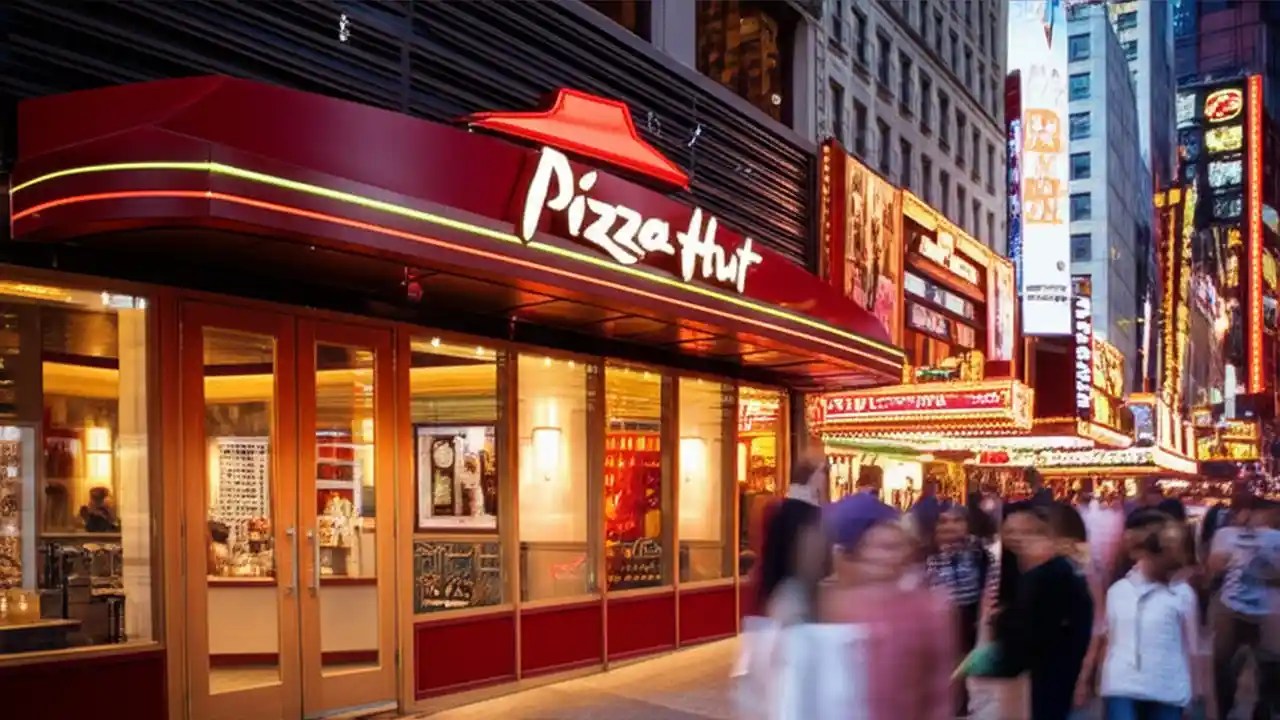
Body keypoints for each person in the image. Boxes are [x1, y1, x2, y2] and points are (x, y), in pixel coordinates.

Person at [820, 494, 954, 720]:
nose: (890, 557)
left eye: (896, 546)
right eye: (881, 547)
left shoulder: (928, 610)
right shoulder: (826, 607)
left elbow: (938, 693)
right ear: (849, 554)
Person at [994, 504, 1094, 720]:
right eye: (1011, 532)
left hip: (1053, 675)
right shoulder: (1017, 570)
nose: (1020, 540)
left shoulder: (1057, 573)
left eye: (1028, 533)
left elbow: (1080, 628)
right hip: (1032, 677)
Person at [1098, 509, 1199, 720]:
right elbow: (1109, 640)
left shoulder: (1182, 594)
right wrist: (1100, 682)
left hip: (1168, 690)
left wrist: (1195, 692)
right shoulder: (1118, 591)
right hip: (1121, 688)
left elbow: (1191, 646)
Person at [1208, 495, 1280, 720]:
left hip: (1268, 611)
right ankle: (1223, 708)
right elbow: (1214, 568)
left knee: (1270, 665)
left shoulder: (1276, 538)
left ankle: (1264, 709)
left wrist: (1266, 563)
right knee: (1222, 664)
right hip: (1230, 608)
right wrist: (1230, 558)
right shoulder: (1225, 535)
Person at [924, 505, 992, 717]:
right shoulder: (927, 554)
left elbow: (987, 583)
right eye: (943, 521)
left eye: (957, 521)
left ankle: (962, 703)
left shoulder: (978, 551)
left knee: (967, 661)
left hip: (970, 614)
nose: (951, 526)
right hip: (938, 618)